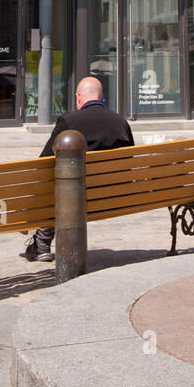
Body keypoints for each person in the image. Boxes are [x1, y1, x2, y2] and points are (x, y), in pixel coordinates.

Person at [20, 75, 134, 261]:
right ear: (102, 98)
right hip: (113, 196)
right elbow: (129, 161)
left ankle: (41, 243)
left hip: (75, 197)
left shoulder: (69, 121)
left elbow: (44, 161)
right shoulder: (120, 122)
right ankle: (41, 242)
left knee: (56, 185)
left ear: (79, 97)